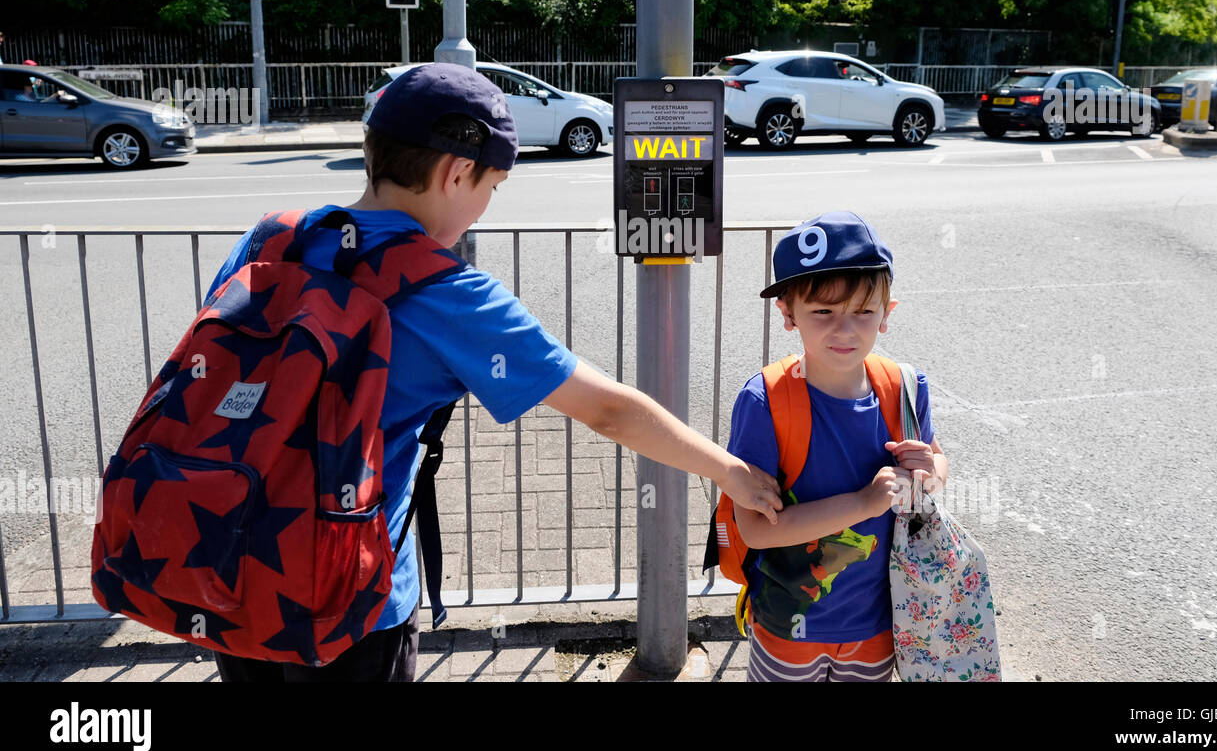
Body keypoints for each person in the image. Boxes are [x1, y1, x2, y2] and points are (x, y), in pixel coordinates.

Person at [201, 63, 782, 681]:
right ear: (456, 173)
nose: (483, 207)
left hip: (235, 568)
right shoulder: (448, 293)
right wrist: (731, 472)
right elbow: (609, 410)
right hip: (352, 605)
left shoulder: (272, 238)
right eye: (492, 187)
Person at [726, 212, 948, 682]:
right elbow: (757, 530)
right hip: (789, 625)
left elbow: (934, 458)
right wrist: (864, 503)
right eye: (823, 312)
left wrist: (930, 473)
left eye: (863, 312)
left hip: (882, 622)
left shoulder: (905, 386)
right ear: (788, 314)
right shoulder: (765, 400)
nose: (845, 330)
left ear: (887, 313)